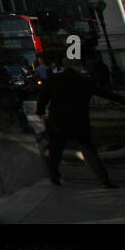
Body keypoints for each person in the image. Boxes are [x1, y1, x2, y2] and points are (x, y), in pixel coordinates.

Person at [36, 59, 125, 188]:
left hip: (58, 121)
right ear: (76, 66)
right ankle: (103, 180)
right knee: (88, 151)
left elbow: (43, 97)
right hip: (79, 121)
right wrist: (122, 100)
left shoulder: (55, 79)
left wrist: (41, 112)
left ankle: (54, 176)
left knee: (56, 149)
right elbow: (105, 94)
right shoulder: (84, 81)